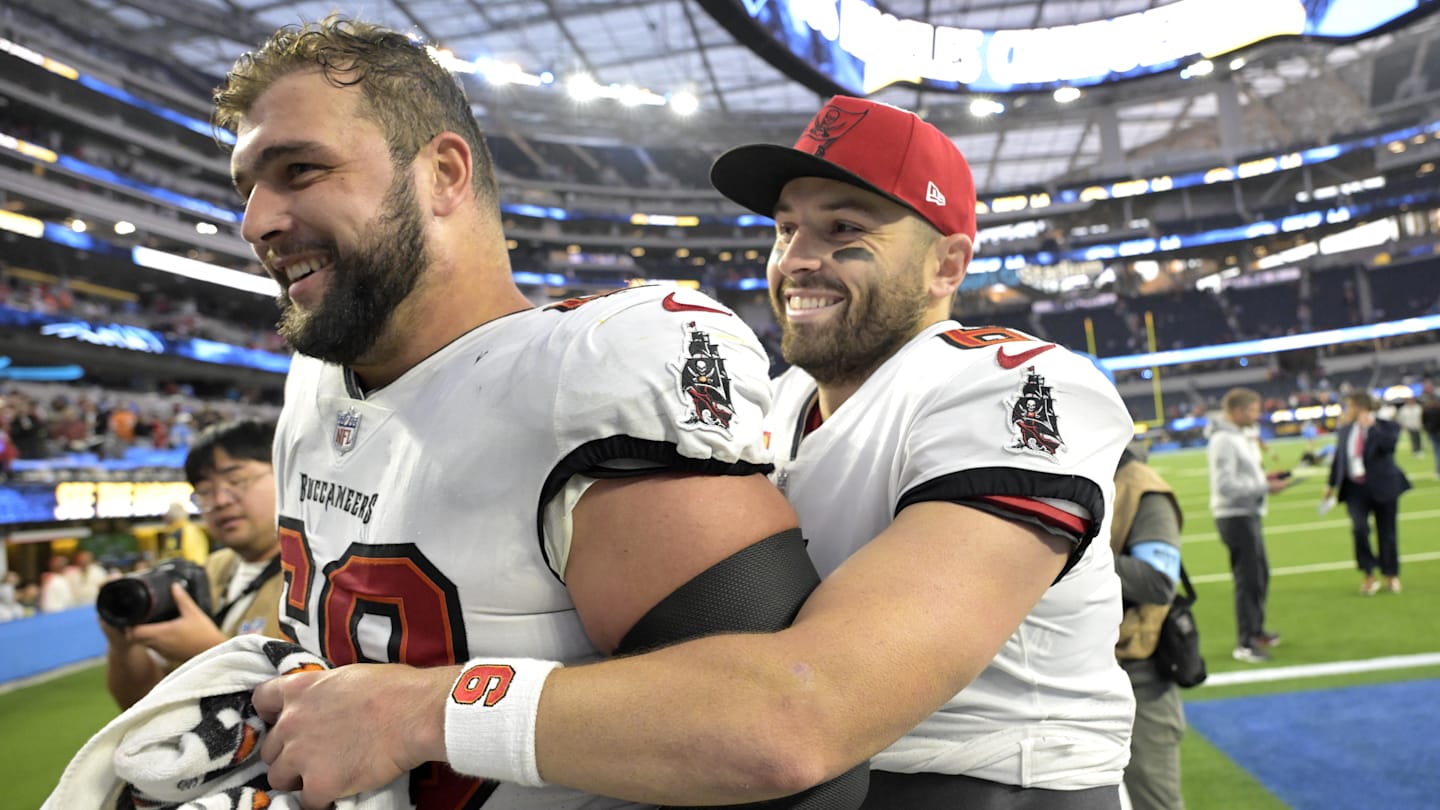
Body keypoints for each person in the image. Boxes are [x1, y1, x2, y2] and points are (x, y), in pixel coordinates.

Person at [240, 75, 1134, 809]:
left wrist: (425, 711)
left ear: (948, 264)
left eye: (845, 229)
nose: (797, 260)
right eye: (786, 227)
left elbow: (804, 715)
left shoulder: (1015, 381)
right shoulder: (776, 406)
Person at [216, 16, 856, 810]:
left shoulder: (583, 372)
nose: (256, 223)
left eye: (301, 170)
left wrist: (424, 714)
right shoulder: (312, 382)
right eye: (246, 187)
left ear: (444, 173)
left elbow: (778, 735)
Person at [101, 419, 285, 709]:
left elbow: (314, 703)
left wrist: (206, 652)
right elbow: (139, 703)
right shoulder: (207, 571)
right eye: (205, 491)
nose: (221, 500)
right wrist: (122, 646)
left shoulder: (319, 574)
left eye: (236, 481)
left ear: (286, 472)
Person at [1110, 444, 1186, 810]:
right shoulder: (1074, 478)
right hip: (1068, 670)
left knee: (1153, 798)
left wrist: (1068, 545)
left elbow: (1158, 581)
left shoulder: (1140, 486)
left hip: (1136, 672)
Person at [1206, 387, 1288, 663]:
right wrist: (1265, 485)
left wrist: (1266, 477)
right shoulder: (1224, 440)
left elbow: (1243, 476)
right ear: (1239, 411)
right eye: (1254, 410)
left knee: (1259, 576)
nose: (1258, 414)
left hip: (1247, 513)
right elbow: (1225, 485)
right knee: (1248, 579)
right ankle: (1245, 643)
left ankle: (1256, 630)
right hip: (1235, 516)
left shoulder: (1239, 436)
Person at [1323, 393, 1411, 595]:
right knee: (1359, 529)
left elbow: (1389, 447)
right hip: (1355, 489)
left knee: (1387, 533)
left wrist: (1371, 427)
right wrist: (1330, 484)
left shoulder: (1386, 426)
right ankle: (1369, 574)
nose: (1347, 410)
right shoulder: (1345, 429)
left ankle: (1391, 574)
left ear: (1361, 407)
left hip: (1384, 487)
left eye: (1350, 406)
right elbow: (1339, 458)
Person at [156, 501, 210, 565]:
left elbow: (194, 557)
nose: (164, 516)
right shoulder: (173, 531)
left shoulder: (187, 531)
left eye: (166, 514)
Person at [1421, 392, 1440, 476]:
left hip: (1432, 432)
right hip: (1436, 431)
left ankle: (1438, 470)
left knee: (1437, 451)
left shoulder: (1426, 408)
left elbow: (1423, 421)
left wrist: (1427, 430)